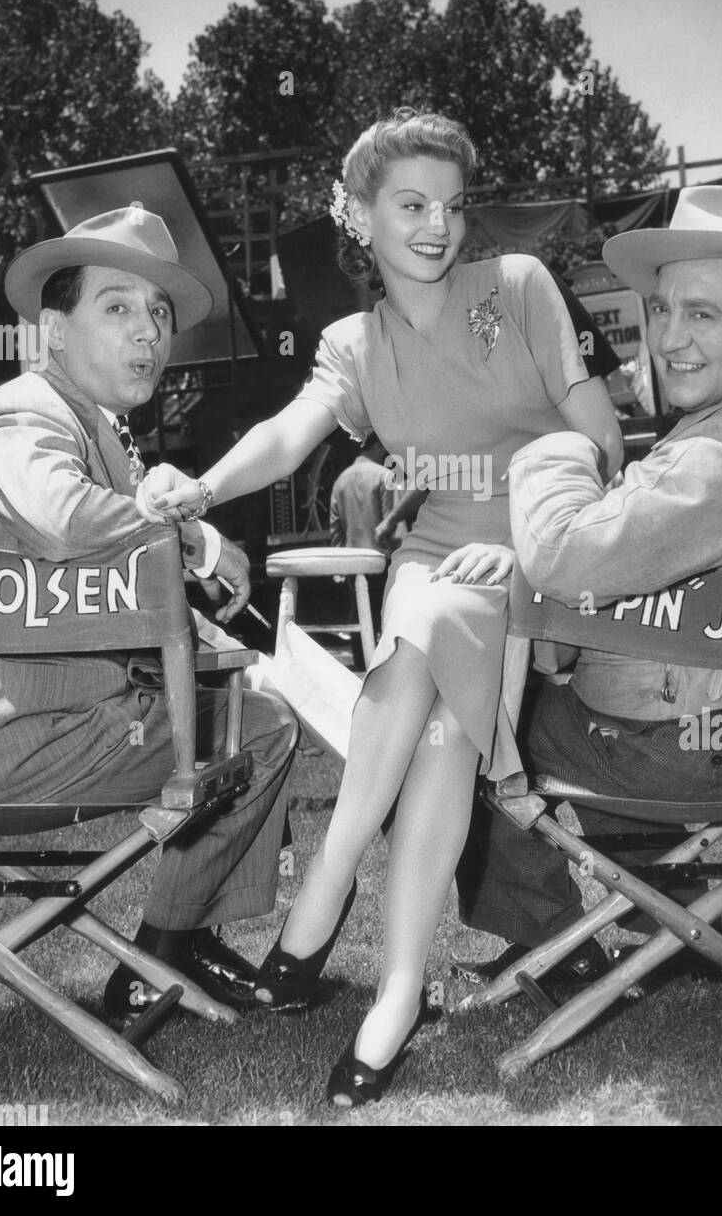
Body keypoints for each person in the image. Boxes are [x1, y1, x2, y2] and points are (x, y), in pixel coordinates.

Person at [139, 108, 622, 1104]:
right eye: (410, 206)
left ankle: (327, 883)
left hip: (528, 555)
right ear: (357, 217)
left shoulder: (521, 287)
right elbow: (286, 434)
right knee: (437, 712)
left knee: (429, 637)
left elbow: (601, 442)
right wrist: (203, 487)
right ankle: (397, 988)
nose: (438, 227)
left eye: (450, 206)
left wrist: (533, 532)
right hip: (432, 565)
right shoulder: (351, 343)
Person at [454, 185, 722, 976]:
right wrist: (542, 562)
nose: (669, 338)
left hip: (696, 748)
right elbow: (642, 547)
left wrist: (552, 454)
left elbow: (568, 557)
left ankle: (550, 950)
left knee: (461, 725)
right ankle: (674, 932)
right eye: (663, 310)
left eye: (702, 315)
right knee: (555, 697)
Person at [0, 208, 300, 1014]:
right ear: (54, 330)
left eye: (159, 313)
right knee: (258, 732)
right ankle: (169, 952)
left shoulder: (97, 427)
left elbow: (112, 595)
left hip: (44, 726)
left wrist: (227, 647)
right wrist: (197, 538)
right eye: (119, 306)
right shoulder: (19, 412)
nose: (149, 332)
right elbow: (66, 523)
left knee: (249, 709)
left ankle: (166, 956)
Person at [329, 433, 397, 640]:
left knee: (359, 617)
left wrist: (338, 564)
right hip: (380, 560)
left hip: (351, 563)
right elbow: (391, 522)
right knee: (385, 619)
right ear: (377, 447)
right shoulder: (385, 476)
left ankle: (359, 664)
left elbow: (335, 528)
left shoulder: (340, 480)